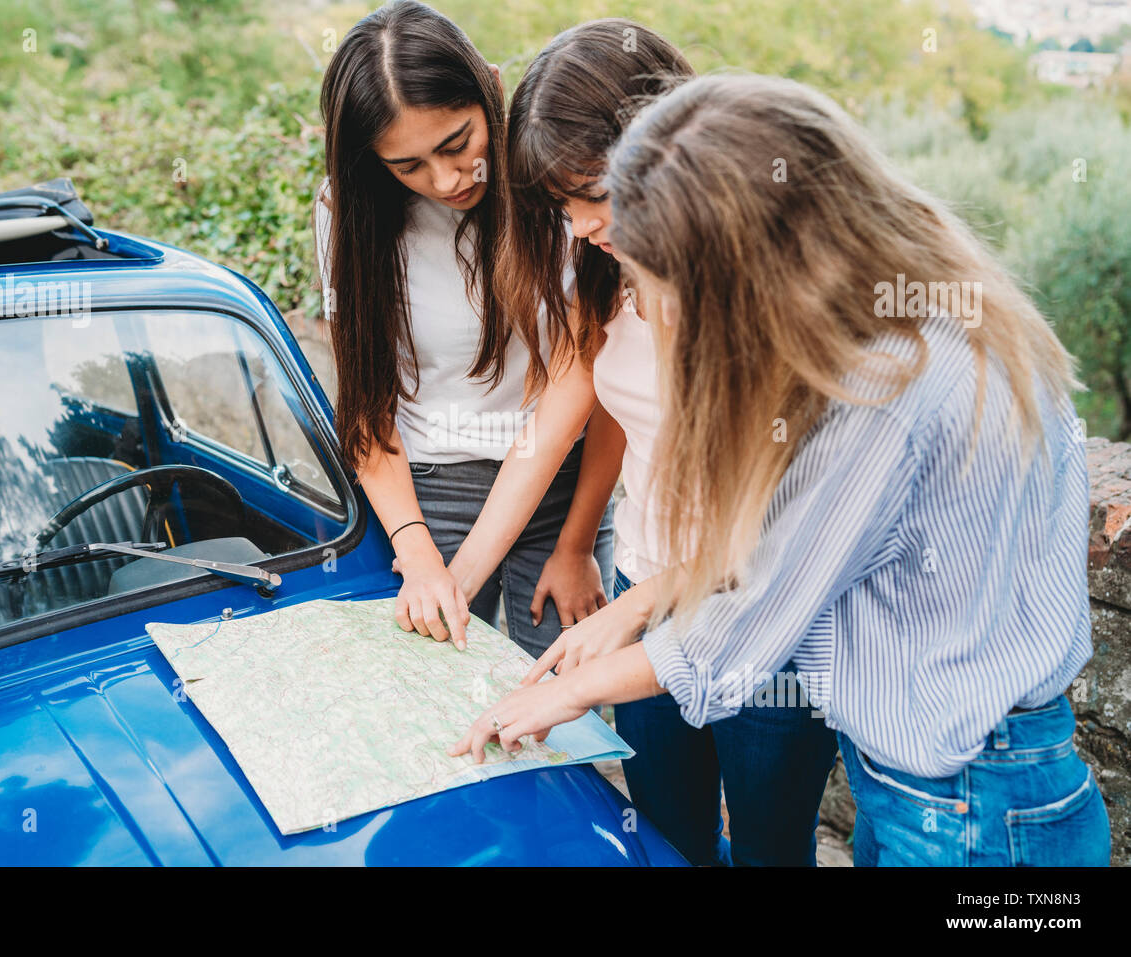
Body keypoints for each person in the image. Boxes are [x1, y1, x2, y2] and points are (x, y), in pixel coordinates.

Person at [450, 73, 1112, 867]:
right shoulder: (949, 314)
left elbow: (740, 631)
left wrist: (559, 693)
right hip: (991, 779)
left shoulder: (879, 397)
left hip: (961, 811)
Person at [444, 22, 837, 866]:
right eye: (560, 204)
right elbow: (559, 426)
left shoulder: (770, 291)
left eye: (594, 193)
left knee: (771, 844)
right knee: (661, 832)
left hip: (769, 615)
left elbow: (783, 521)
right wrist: (461, 580)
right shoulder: (601, 266)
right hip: (648, 580)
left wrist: (632, 610)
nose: (579, 225)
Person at [314, 0, 614, 660]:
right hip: (425, 495)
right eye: (408, 165)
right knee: (434, 718)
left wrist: (576, 541)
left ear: (492, 88)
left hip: (560, 487)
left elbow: (589, 387)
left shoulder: (563, 186)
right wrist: (416, 548)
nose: (445, 179)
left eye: (457, 145)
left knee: (560, 711)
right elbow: (367, 398)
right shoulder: (347, 212)